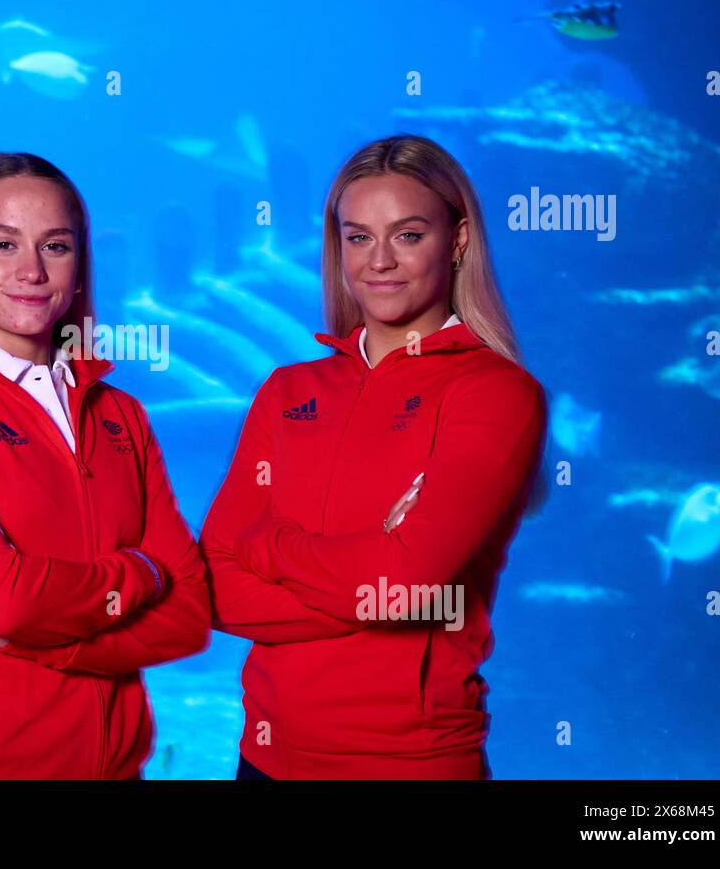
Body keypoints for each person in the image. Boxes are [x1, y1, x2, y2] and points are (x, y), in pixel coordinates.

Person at [201, 134, 548, 779]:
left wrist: (270, 545)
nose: (379, 261)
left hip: (411, 764)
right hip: (264, 761)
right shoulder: (288, 391)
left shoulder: (496, 394)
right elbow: (213, 584)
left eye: (408, 235)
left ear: (460, 240)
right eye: (358, 237)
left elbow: (409, 584)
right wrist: (371, 584)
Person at [0, 151, 209, 779]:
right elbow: (7, 601)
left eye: (55, 246)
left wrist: (71, 644)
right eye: (2, 243)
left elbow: (187, 617)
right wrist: (139, 576)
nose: (31, 270)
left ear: (80, 267)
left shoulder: (119, 415)